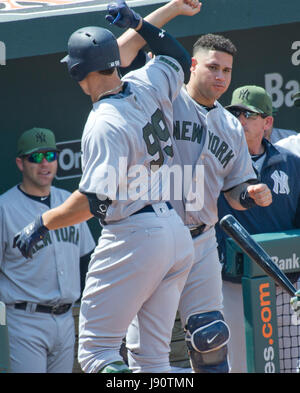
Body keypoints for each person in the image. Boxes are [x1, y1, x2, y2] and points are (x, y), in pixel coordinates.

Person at [13, 1, 196, 374]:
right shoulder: (146, 82)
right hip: (175, 234)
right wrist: (142, 22)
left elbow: (93, 202)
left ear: (78, 74)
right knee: (152, 362)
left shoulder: (104, 123)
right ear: (116, 62)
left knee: (97, 353)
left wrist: (43, 222)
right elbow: (175, 54)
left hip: (135, 235)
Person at [116, 0, 272, 373]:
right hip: (153, 238)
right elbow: (121, 55)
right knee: (147, 357)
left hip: (201, 241)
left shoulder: (231, 126)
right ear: (192, 66)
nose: (220, 77)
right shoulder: (159, 99)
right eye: (213, 67)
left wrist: (249, 194)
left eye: (227, 71)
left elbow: (236, 189)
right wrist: (166, 10)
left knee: (211, 339)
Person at [216, 85, 300, 372]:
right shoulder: (216, 166)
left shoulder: (291, 164)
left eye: (248, 115)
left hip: (285, 284)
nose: (239, 120)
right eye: (235, 113)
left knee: (288, 365)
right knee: (240, 366)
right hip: (234, 284)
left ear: (267, 123)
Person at [0, 127, 95, 373]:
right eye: (36, 157)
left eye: (50, 156)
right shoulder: (4, 208)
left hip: (66, 319)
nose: (45, 164)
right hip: (24, 319)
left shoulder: (71, 203)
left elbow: (87, 261)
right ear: (21, 163)